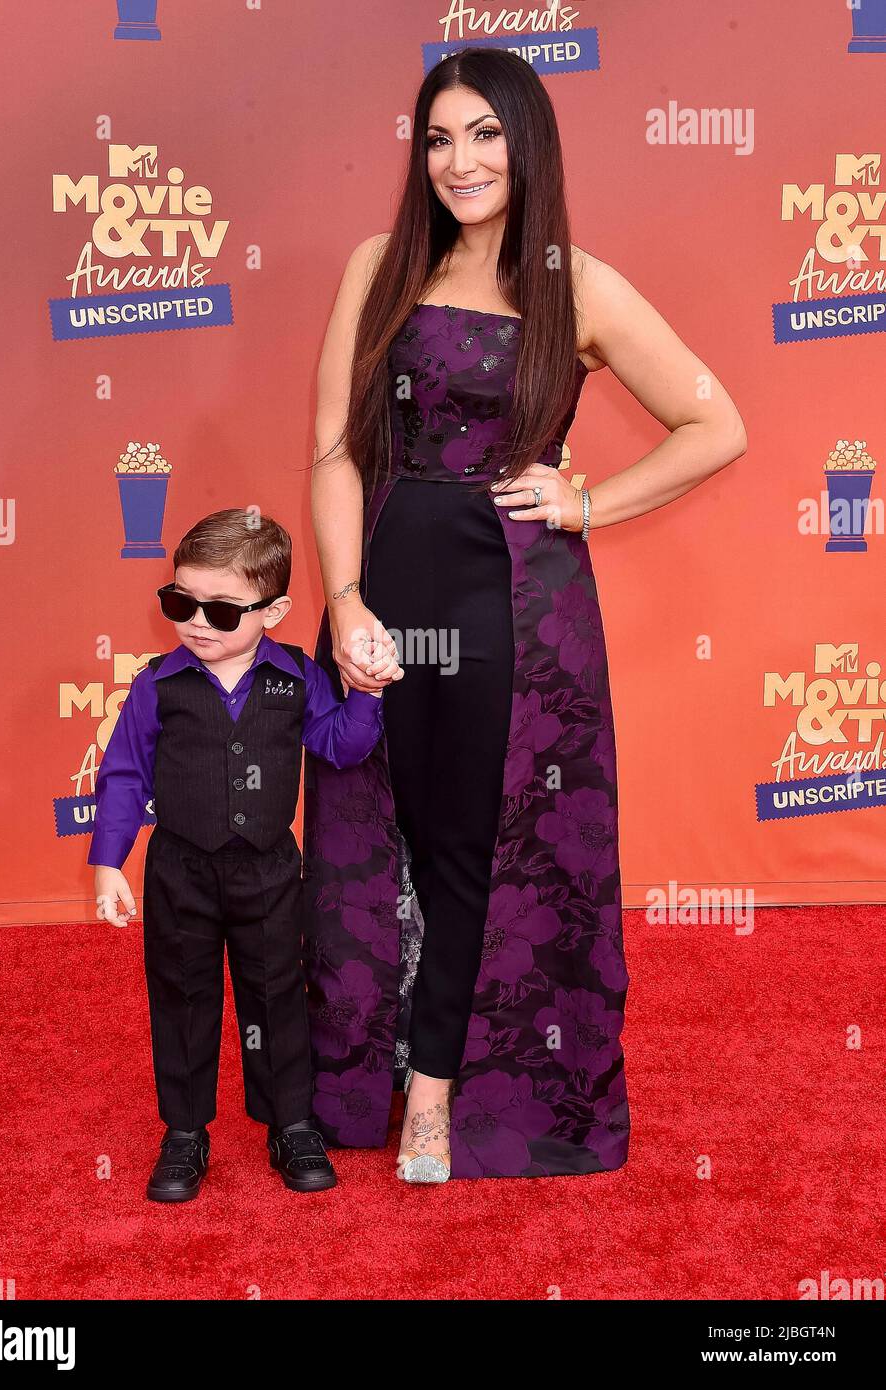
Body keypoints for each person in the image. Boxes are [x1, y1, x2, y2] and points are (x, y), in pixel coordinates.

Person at [303, 47, 746, 1181]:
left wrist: (588, 497)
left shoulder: (576, 287)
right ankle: (364, 1068)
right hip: (383, 589)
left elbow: (714, 425)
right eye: (439, 137)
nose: (460, 160)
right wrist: (345, 598)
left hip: (512, 606)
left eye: (485, 135)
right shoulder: (378, 265)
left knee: (467, 845)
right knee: (365, 835)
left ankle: (439, 1097)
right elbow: (335, 452)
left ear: (527, 142)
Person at [88, 508, 388, 1198]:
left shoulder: (296, 677)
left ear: (274, 609)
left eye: (221, 612)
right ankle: (186, 1133)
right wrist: (109, 863)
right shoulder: (157, 685)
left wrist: (366, 694)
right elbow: (126, 774)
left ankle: (291, 1124)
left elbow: (341, 745)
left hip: (268, 870)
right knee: (183, 998)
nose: (196, 622)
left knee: (277, 996)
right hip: (179, 871)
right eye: (179, 602)